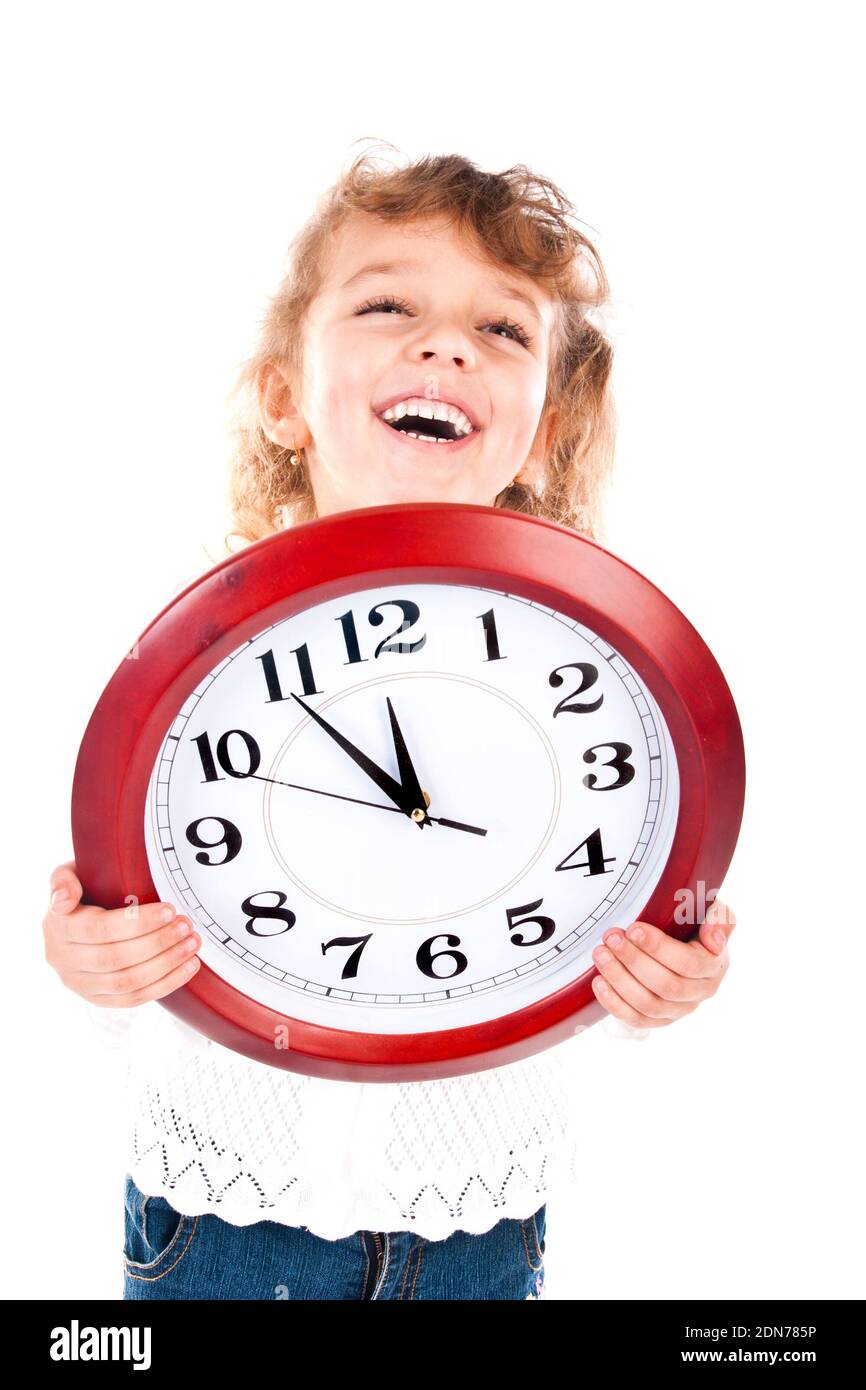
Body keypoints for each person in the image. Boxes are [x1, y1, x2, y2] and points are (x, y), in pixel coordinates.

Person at [43, 147, 736, 1300]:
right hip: (228, 1213)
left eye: (502, 331)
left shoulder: (603, 677)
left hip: (480, 1218)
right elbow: (91, 931)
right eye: (387, 305)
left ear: (548, 428)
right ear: (282, 397)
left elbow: (596, 935)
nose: (446, 344)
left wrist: (656, 986)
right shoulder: (180, 654)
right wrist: (84, 964)